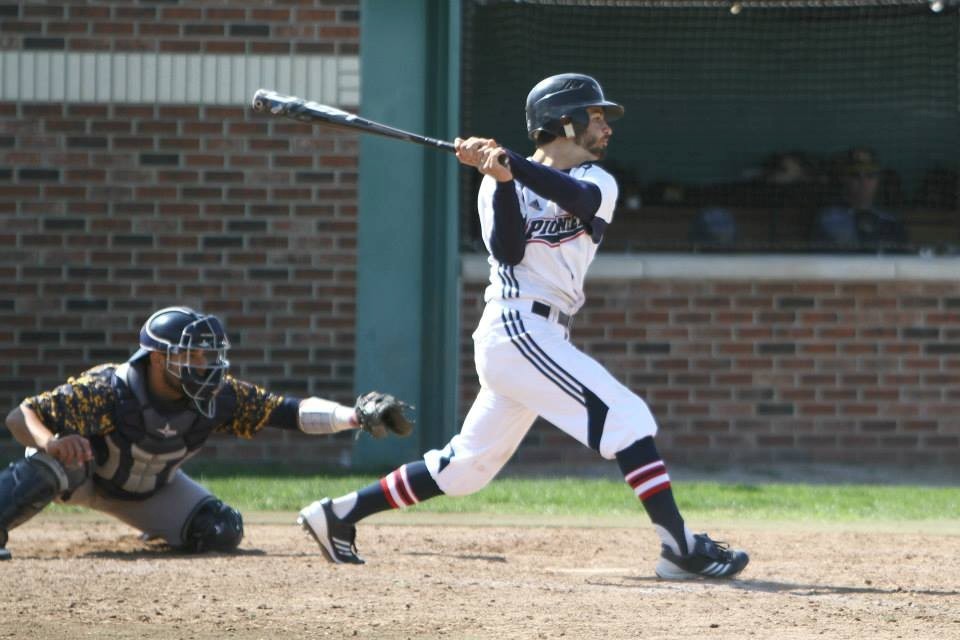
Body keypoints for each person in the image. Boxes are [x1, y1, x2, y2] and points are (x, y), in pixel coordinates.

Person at [298, 73, 749, 580]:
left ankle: (336, 514)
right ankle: (680, 548)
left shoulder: (599, 184)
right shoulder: (496, 186)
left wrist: (510, 164)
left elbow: (573, 199)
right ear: (562, 122)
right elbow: (509, 251)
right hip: (516, 329)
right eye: (595, 116)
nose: (605, 127)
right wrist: (504, 177)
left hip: (540, 336)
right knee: (627, 419)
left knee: (465, 468)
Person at [0, 306, 411, 560]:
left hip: (151, 490)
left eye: (209, 355)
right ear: (158, 358)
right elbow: (22, 416)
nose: (205, 365)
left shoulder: (219, 395)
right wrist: (51, 441)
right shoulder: (109, 389)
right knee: (43, 465)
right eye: (191, 355)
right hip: (86, 477)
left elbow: (284, 411)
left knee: (221, 530)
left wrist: (354, 416)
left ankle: (156, 525)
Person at [811, 147, 909, 251]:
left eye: (870, 175)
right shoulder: (828, 220)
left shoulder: (891, 222)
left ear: (878, 180)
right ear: (844, 179)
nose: (863, 182)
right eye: (855, 175)